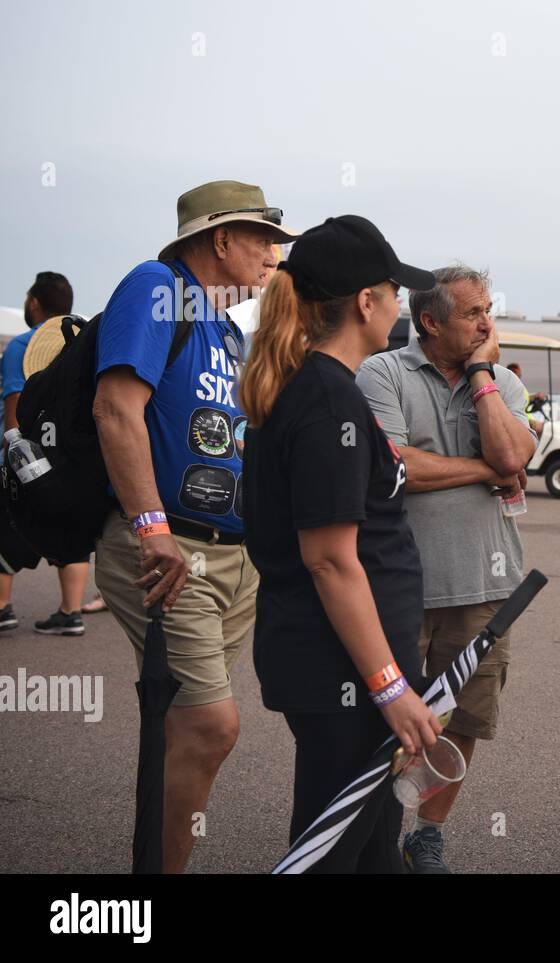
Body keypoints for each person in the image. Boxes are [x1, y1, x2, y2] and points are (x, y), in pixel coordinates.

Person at [92, 180, 298, 872]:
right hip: (169, 546)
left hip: (232, 559)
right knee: (211, 723)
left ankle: (156, 865)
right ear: (220, 239)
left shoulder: (228, 329)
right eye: (263, 239)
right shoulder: (156, 286)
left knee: (191, 728)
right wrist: (151, 528)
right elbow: (116, 409)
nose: (274, 255)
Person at [242, 214, 444, 873]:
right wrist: (390, 688)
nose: (400, 304)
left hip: (348, 671)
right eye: (394, 290)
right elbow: (328, 558)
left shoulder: (315, 389)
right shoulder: (327, 401)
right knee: (327, 857)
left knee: (372, 854)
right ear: (366, 301)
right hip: (345, 678)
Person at [358, 265, 536, 874]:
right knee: (386, 721)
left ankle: (426, 834)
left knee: (463, 720)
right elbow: (394, 467)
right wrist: (487, 471)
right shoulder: (381, 372)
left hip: (487, 589)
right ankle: (371, 833)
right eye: (472, 314)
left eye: (489, 310)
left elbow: (514, 453)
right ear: (429, 322)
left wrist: (484, 374)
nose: (487, 323)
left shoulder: (500, 383)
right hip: (400, 589)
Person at [0, 271, 96, 635]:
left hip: (30, 456)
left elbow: (15, 402)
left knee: (6, 529)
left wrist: (12, 454)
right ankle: (71, 612)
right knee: (71, 532)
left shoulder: (24, 344)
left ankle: (3, 608)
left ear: (34, 303)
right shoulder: (85, 340)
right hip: (72, 459)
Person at [506, 362, 545, 437]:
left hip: (527, 420)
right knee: (544, 430)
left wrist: (535, 396)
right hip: (523, 422)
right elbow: (512, 410)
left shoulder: (518, 385)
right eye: (518, 372)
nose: (520, 374)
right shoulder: (511, 388)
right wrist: (530, 422)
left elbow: (524, 399)